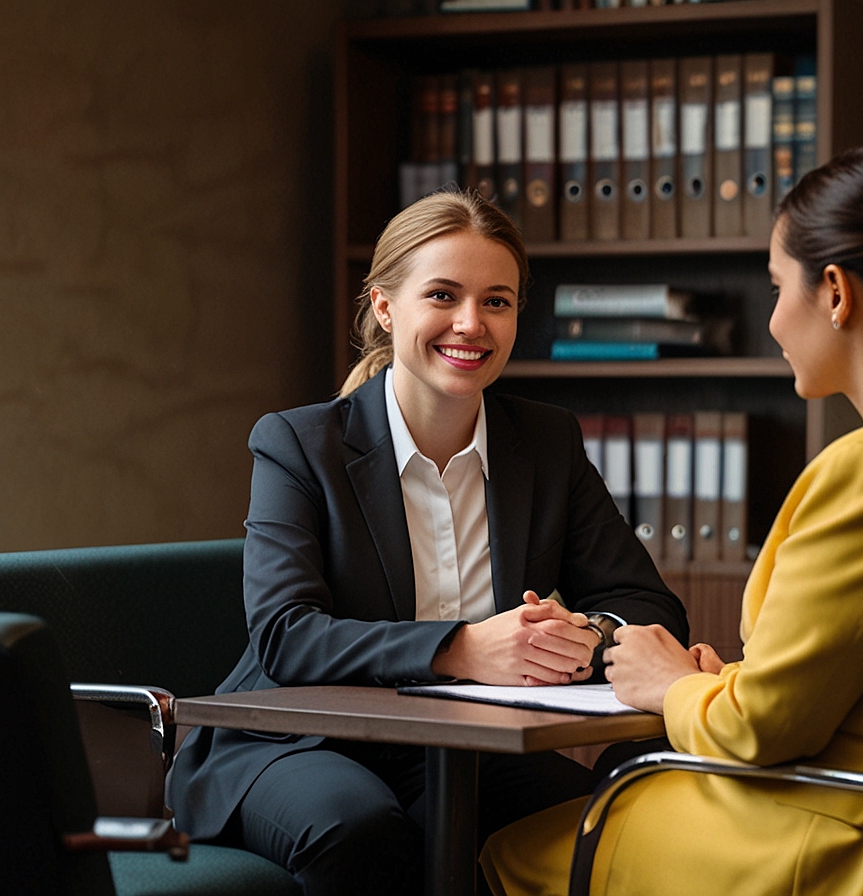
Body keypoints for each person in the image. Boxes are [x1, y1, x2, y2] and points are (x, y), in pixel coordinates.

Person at [479, 143, 863, 895]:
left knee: (502, 853)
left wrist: (670, 684)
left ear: (835, 292)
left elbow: (761, 730)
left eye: (776, 288)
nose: (771, 321)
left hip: (837, 832)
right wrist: (727, 682)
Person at [165, 189, 689, 895]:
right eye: (442, 295)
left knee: (601, 822)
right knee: (359, 829)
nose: (470, 324)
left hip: (463, 743)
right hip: (293, 742)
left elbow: (647, 607)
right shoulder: (299, 443)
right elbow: (286, 636)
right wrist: (464, 648)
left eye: (497, 302)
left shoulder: (545, 441)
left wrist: (588, 636)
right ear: (385, 306)